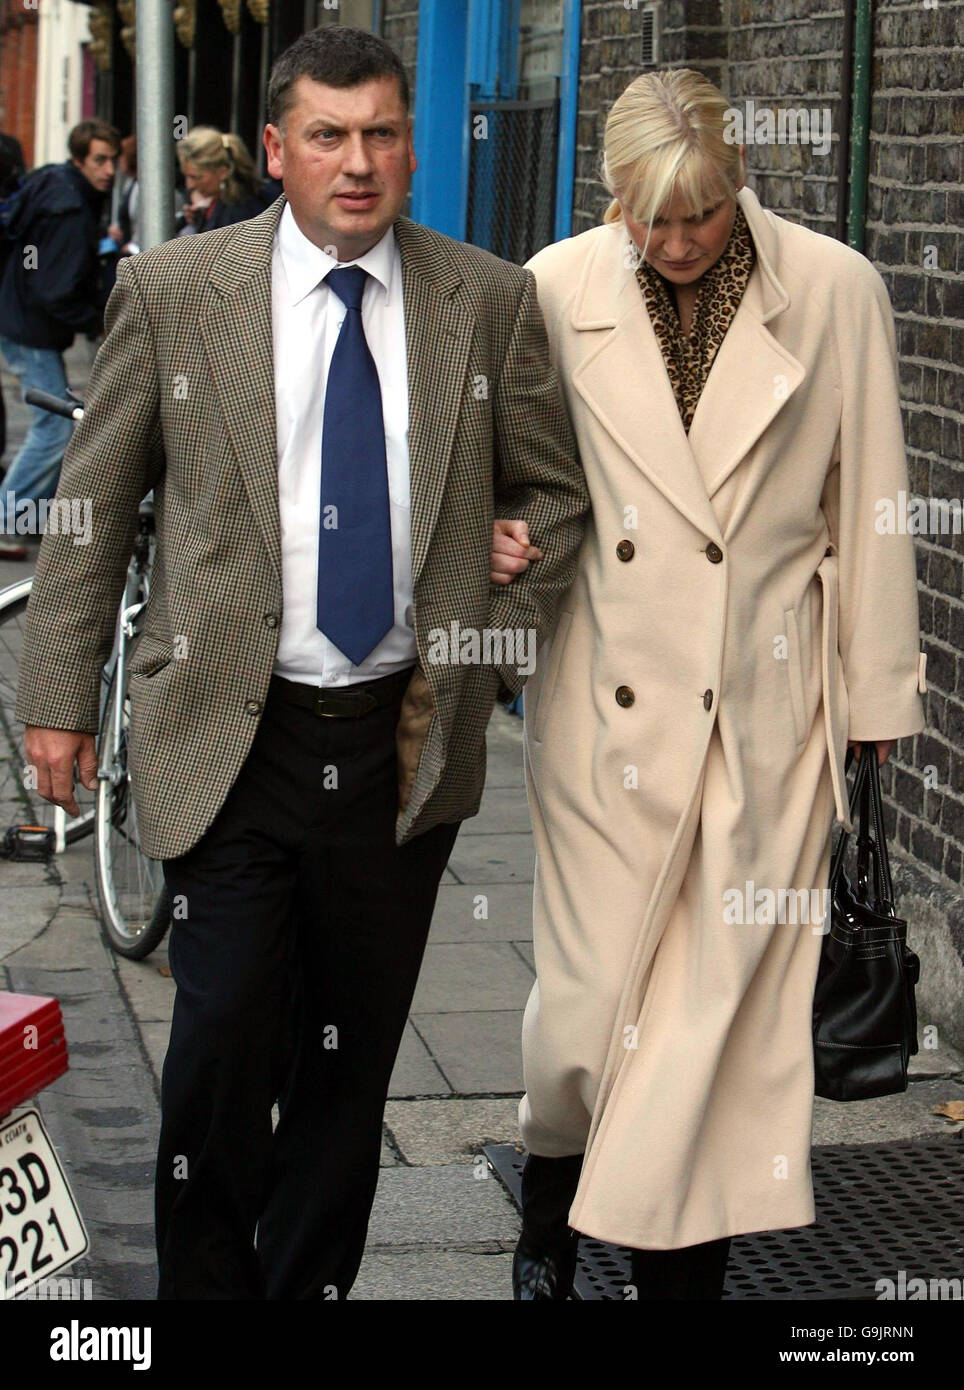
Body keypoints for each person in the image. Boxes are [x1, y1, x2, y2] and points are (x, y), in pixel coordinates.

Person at [16, 25, 587, 1300]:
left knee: (348, 1065)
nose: (359, 161)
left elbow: (556, 497)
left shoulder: (484, 300)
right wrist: (53, 701)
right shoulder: (176, 290)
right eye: (328, 134)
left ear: (408, 146)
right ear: (276, 150)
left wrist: (507, 587)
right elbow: (94, 511)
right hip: (233, 727)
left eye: (382, 132)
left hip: (399, 739)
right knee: (218, 1048)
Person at [491, 68, 926, 1300]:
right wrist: (502, 531)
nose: (675, 243)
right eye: (649, 216)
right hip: (604, 705)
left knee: (710, 1025)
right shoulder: (553, 285)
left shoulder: (835, 292)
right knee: (581, 1018)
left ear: (741, 183)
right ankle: (550, 1187)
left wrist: (874, 702)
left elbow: (872, 508)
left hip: (760, 714)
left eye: (700, 215)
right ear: (611, 195)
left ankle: (682, 1271)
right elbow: (525, 478)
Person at [0, 119, 118, 553]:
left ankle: (32, 515)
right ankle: (8, 518)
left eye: (113, 160)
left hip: (20, 318)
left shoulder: (56, 186)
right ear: (79, 160)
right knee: (54, 425)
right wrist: (94, 320)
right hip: (30, 325)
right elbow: (54, 287)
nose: (108, 170)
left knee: (54, 422)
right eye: (99, 160)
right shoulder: (69, 206)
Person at [176, 126, 275, 234]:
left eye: (197, 177)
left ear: (223, 172)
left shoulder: (239, 215)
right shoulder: (228, 201)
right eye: (187, 176)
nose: (190, 185)